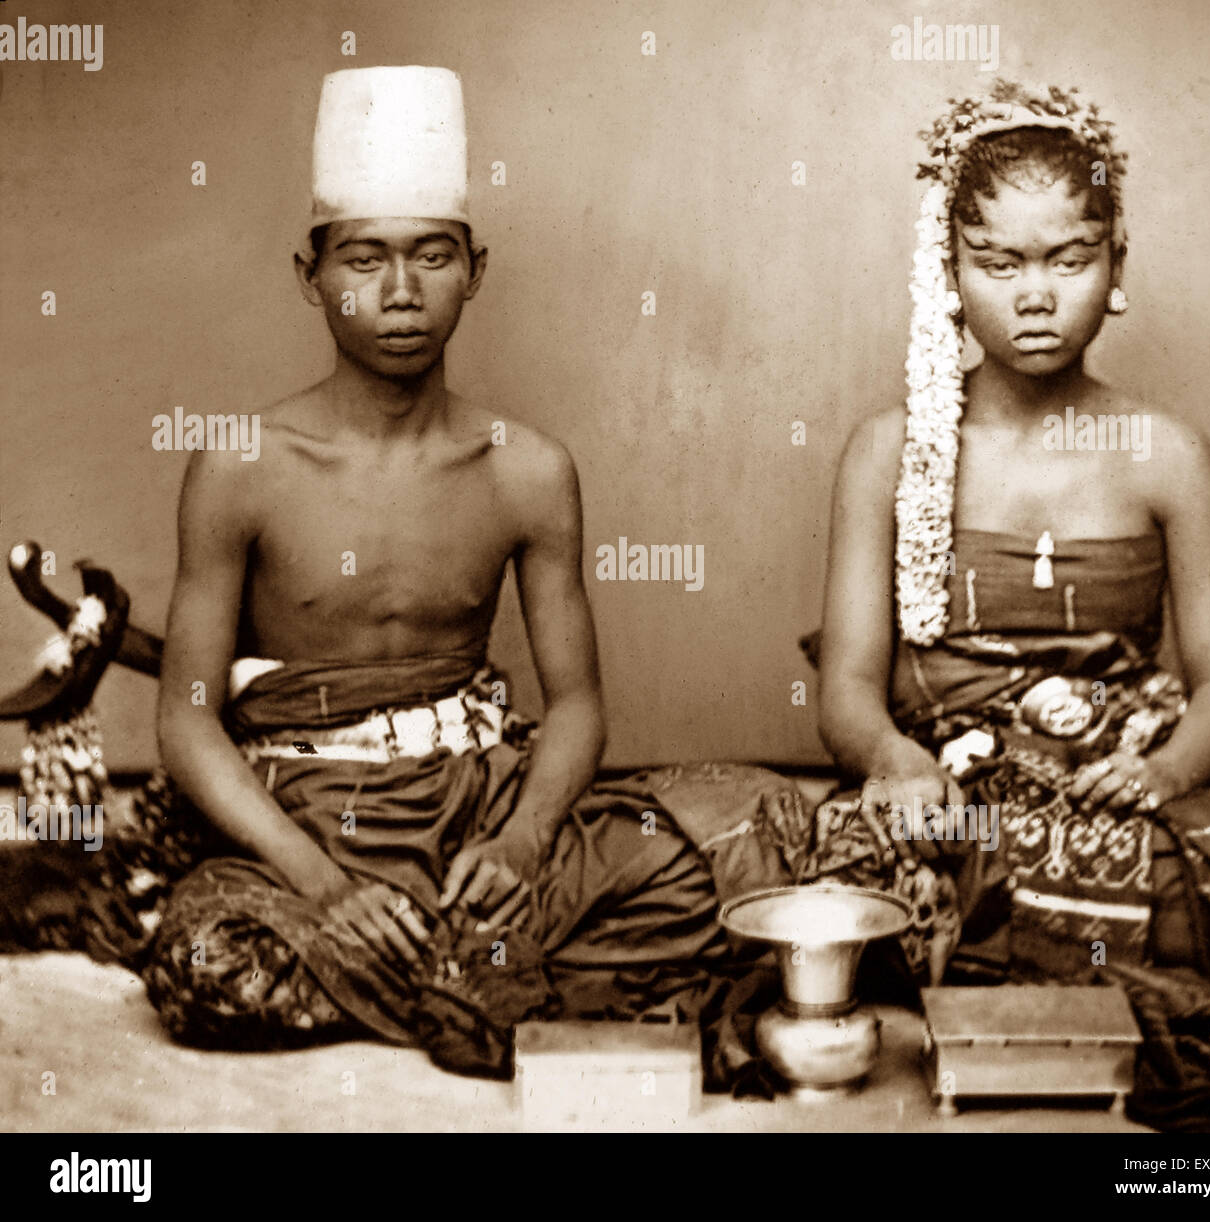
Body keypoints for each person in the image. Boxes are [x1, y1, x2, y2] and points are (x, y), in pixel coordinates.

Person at [126, 65, 798, 1075]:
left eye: (431, 256)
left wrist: (524, 841)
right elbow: (184, 716)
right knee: (206, 964)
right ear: (309, 274)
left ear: (474, 268)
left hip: (479, 804)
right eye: (364, 258)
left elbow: (575, 708)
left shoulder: (527, 468)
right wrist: (320, 884)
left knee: (761, 831)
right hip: (310, 814)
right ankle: (479, 975)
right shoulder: (238, 465)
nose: (399, 292)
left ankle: (438, 960)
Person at [814, 80, 1210, 998]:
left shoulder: (1169, 455)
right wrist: (894, 760)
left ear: (1117, 266)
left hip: (1116, 786)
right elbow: (845, 685)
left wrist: (1159, 775)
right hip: (948, 789)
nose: (1035, 296)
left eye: (1068, 260)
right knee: (816, 890)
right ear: (948, 273)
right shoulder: (890, 451)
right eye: (997, 264)